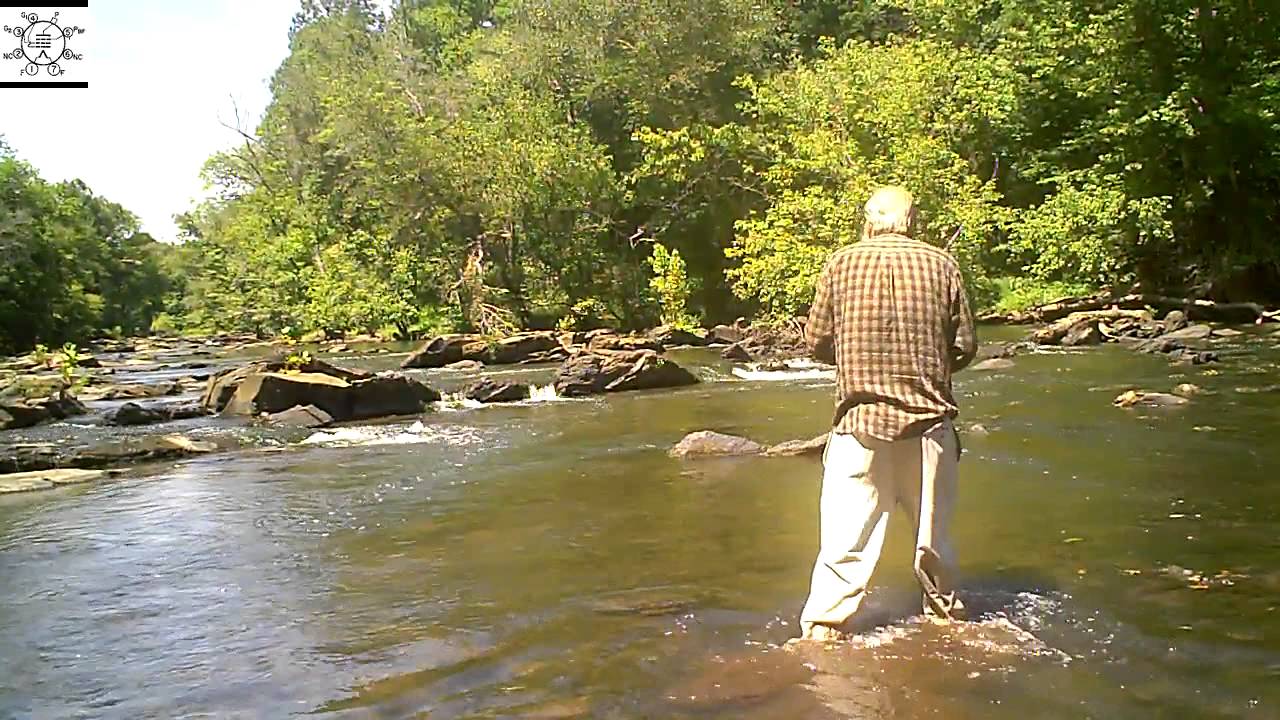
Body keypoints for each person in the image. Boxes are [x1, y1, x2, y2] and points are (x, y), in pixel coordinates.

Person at [797, 186, 977, 642]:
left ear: (868, 220)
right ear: (911, 221)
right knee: (934, 540)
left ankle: (824, 631)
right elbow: (964, 345)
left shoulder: (840, 263)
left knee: (845, 541)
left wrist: (856, 361)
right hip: (929, 424)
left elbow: (816, 342)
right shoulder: (942, 264)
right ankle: (945, 622)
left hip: (860, 424)